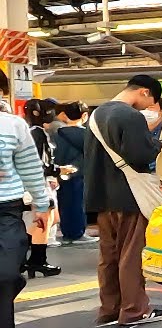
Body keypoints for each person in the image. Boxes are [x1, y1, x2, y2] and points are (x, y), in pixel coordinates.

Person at [85, 76, 162, 326]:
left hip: (102, 196)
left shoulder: (97, 114)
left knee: (108, 256)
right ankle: (134, 310)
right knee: (131, 254)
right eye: (151, 101)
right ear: (144, 92)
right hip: (129, 196)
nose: (149, 107)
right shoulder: (131, 117)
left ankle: (109, 309)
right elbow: (140, 156)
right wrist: (155, 142)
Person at [0, 71, 50, 328]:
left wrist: (41, 205)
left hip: (6, 209)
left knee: (8, 273)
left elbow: (30, 167)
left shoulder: (14, 125)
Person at [23, 99, 60, 277]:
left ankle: (28, 260)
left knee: (47, 219)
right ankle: (36, 261)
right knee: (44, 219)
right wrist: (57, 171)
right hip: (36, 183)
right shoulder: (37, 133)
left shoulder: (30, 131)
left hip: (31, 182)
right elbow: (39, 163)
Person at [53, 102, 94, 245]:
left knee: (64, 204)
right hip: (80, 174)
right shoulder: (87, 135)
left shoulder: (57, 134)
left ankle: (68, 233)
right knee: (78, 204)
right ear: (84, 115)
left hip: (61, 173)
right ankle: (77, 234)